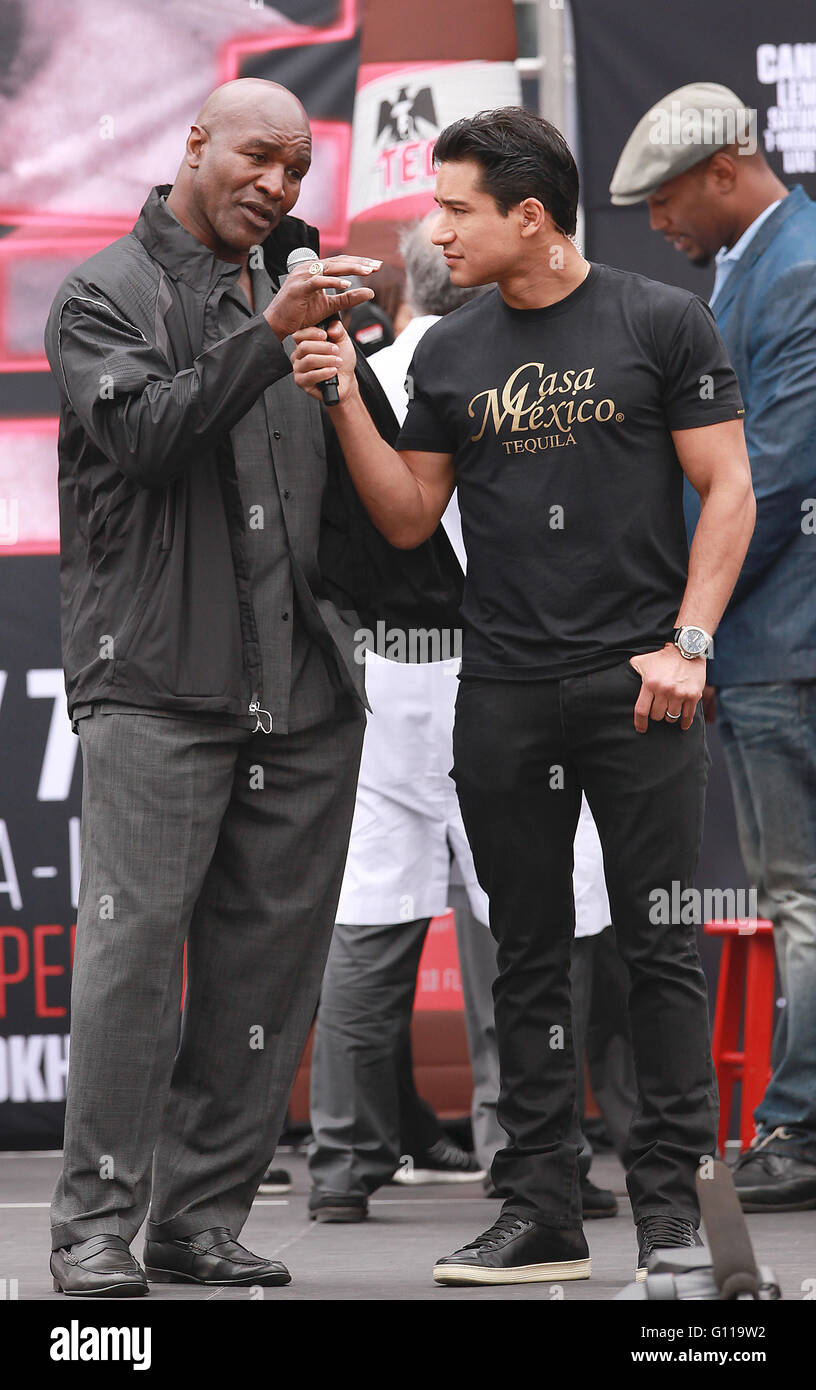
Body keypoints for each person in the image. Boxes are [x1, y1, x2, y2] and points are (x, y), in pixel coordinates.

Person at [291, 106, 755, 1286]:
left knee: (657, 950)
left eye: (456, 210)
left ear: (530, 218)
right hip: (499, 689)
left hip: (640, 683)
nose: (434, 231)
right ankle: (539, 1209)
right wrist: (345, 390)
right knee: (530, 954)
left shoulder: (660, 319)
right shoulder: (447, 350)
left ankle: (673, 1216)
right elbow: (405, 516)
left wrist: (688, 643)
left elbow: (730, 489)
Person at [43, 77, 462, 1298]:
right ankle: (93, 1228)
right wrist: (270, 334)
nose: (278, 188)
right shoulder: (103, 294)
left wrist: (345, 376)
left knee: (263, 971)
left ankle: (200, 1218)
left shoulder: (291, 300)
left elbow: (362, 500)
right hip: (161, 687)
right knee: (132, 965)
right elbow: (147, 435)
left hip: (308, 689)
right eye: (258, 160)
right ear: (195, 144)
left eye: (295, 170)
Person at [308, 213, 619, 1223]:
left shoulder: (360, 377)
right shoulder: (506, 372)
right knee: (530, 917)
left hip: (387, 677)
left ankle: (342, 1166)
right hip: (501, 668)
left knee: (372, 914)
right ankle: (532, 1147)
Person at [611, 83, 816, 1213]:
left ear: (728, 168)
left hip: (783, 633)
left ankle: (799, 1123)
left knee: (802, 892)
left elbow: (775, 478)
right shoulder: (757, 264)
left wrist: (681, 603)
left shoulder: (796, 269)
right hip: (767, 631)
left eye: (667, 196)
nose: (653, 221)